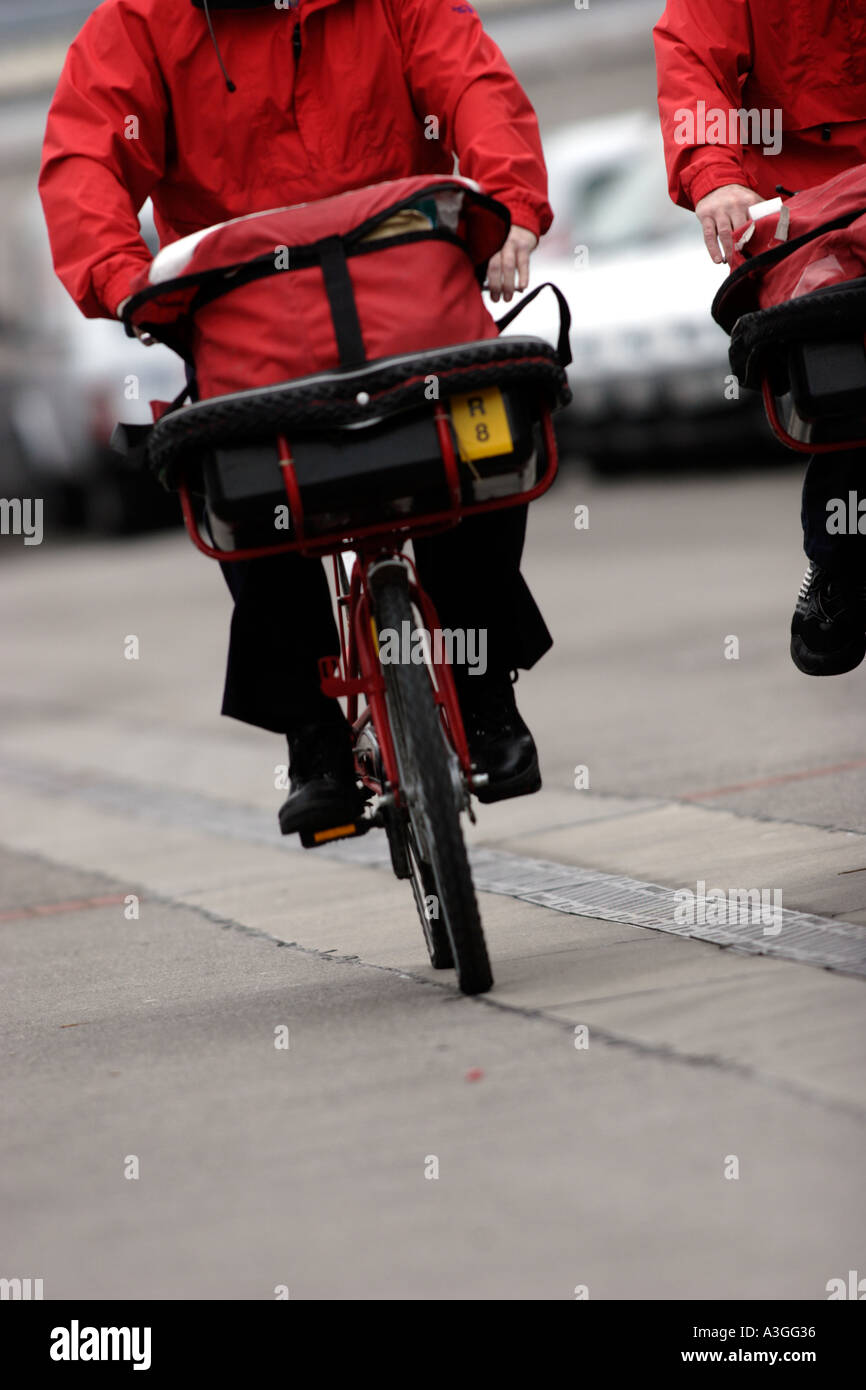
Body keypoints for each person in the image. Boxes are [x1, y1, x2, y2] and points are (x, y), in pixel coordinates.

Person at [40, 0, 555, 831]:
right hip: (251, 336)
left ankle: (484, 693)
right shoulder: (139, 23)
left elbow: (473, 85)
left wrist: (511, 204)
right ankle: (315, 737)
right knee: (235, 493)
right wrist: (118, 275)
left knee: (482, 451)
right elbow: (84, 157)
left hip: (407, 308)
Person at [654, 0, 866, 675]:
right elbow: (693, 61)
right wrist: (716, 177)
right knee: (848, 397)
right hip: (817, 223)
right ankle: (839, 563)